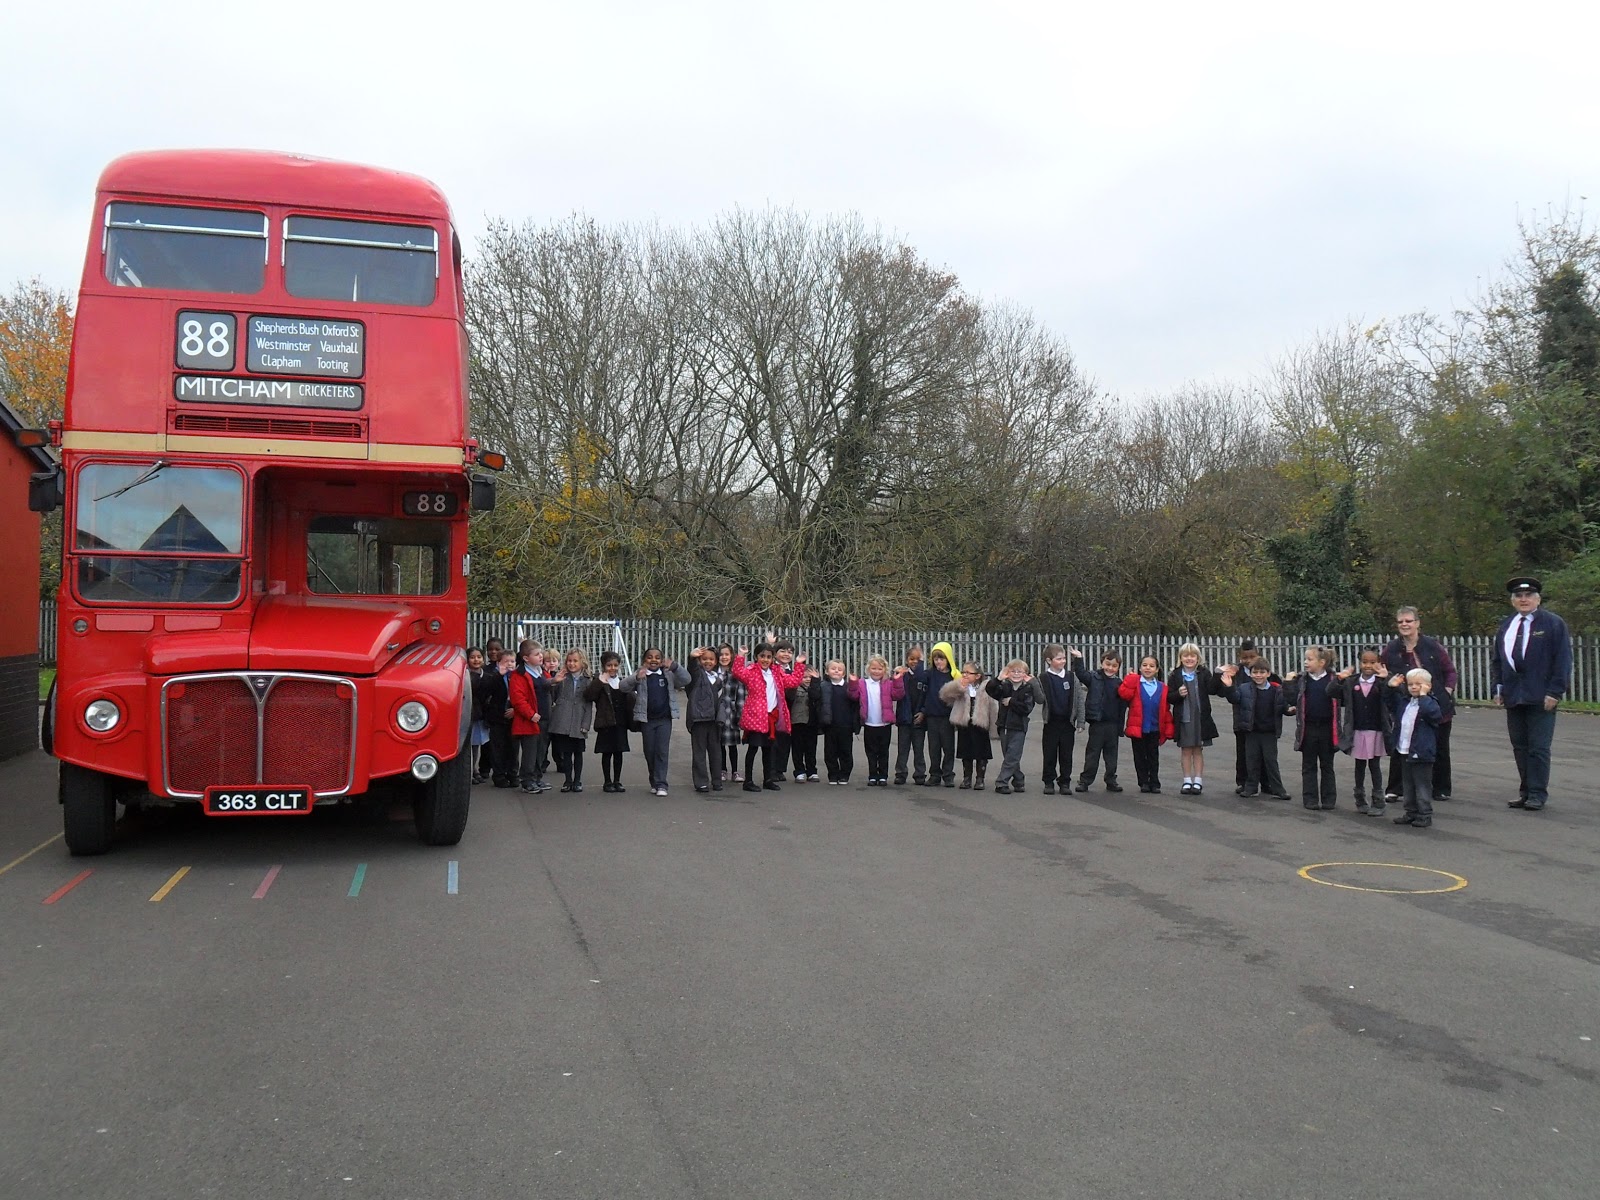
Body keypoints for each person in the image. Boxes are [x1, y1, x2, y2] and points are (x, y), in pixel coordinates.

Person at [1491, 576, 1573, 812]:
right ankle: (1525, 791)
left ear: (1537, 599)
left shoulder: (1553, 624)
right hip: (1514, 696)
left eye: (1528, 596)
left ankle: (1537, 793)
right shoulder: (1507, 625)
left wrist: (1555, 691)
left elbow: (1563, 661)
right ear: (1512, 601)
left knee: (1538, 747)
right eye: (1519, 596)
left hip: (1541, 695)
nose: (1523, 599)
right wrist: (1498, 688)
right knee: (1520, 746)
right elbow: (1498, 661)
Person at [1380, 606, 1458, 803]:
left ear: (1417, 623)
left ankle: (1440, 788)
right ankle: (1396, 788)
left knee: (1440, 746)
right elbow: (1382, 672)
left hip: (1435, 704)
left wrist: (1447, 691)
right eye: (1401, 622)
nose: (1404, 625)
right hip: (1404, 705)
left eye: (1408, 621)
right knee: (1402, 745)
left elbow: (1450, 671)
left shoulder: (1433, 646)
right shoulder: (1391, 649)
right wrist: (1388, 681)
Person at [619, 647, 689, 797]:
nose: (653, 660)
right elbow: (623, 687)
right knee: (650, 751)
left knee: (662, 751)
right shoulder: (641, 675)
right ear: (644, 660)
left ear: (662, 660)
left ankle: (662, 783)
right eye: (650, 657)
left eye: (657, 657)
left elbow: (686, 680)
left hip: (664, 719)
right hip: (647, 720)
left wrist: (675, 666)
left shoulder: (668, 675)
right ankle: (654, 780)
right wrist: (636, 677)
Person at [1284, 646, 1347, 812]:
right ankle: (1310, 799)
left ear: (1322, 662)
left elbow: (1344, 699)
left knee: (1327, 765)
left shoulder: (1333, 679)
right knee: (1309, 765)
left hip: (1327, 728)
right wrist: (1289, 682)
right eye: (1305, 659)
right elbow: (1291, 699)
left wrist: (1343, 681)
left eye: (1310, 659)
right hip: (1309, 728)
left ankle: (1328, 799)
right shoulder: (1302, 680)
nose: (1305, 662)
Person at [1218, 658, 1290, 800]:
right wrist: (1229, 687)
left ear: (1268, 673)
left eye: (1262, 672)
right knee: (1252, 761)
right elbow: (1234, 698)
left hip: (1269, 732)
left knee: (1270, 761)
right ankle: (1251, 787)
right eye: (1255, 672)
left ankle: (1278, 789)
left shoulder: (1276, 690)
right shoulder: (1244, 688)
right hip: (1251, 731)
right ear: (1250, 674)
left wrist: (1291, 710)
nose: (1258, 675)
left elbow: (1284, 707)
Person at [731, 642, 797, 792]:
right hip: (756, 717)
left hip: (771, 717)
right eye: (762, 656)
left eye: (769, 657)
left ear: (773, 658)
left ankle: (768, 779)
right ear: (756, 657)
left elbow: (793, 681)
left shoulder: (777, 672)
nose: (765, 659)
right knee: (753, 748)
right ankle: (748, 781)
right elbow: (737, 671)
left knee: (769, 749)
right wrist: (741, 655)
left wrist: (799, 664)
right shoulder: (751, 672)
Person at [1339, 648, 1392, 815]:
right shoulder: (1351, 682)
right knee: (1359, 765)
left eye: (1372, 662)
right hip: (1358, 730)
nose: (1368, 665)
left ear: (1379, 663)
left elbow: (1392, 696)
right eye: (1364, 662)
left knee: (1375, 765)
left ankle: (1378, 802)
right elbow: (1331, 692)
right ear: (1359, 663)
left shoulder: (1382, 682)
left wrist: (1386, 679)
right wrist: (1339, 679)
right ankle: (1360, 799)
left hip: (1376, 730)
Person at [1167, 642, 1222, 796]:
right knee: (1186, 750)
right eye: (1186, 655)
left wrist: (1217, 675)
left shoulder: (1203, 673)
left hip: (1200, 718)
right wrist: (1178, 694)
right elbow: (1169, 697)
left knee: (1198, 750)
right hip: (1184, 718)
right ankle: (1187, 780)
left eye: (1193, 656)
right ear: (1180, 658)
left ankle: (1198, 780)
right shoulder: (1175, 675)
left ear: (1198, 658)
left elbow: (1212, 689)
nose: (1189, 658)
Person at [1392, 668, 1443, 829]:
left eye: (1419, 684)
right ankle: (1410, 811)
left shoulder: (1430, 702)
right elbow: (1389, 702)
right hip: (1405, 749)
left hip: (1422, 751)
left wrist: (1423, 696)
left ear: (1428, 686)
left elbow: (1434, 715)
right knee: (1408, 783)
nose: (1414, 687)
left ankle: (1424, 813)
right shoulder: (1406, 702)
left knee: (1422, 784)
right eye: (1411, 684)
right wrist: (1391, 687)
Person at [1035, 644, 1087, 795]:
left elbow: (1079, 699)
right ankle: (1049, 781)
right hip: (1051, 723)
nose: (1063, 661)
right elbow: (1039, 699)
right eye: (1059, 659)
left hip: (1067, 723)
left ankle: (1065, 782)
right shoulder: (1043, 678)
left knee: (1066, 755)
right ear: (1049, 660)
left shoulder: (1072, 677)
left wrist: (1081, 721)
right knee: (1049, 754)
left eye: (1064, 658)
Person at [849, 655, 906, 786]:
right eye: (873, 668)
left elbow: (898, 695)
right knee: (871, 752)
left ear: (884, 670)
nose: (876, 671)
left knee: (883, 751)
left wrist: (898, 681)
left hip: (884, 723)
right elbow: (853, 696)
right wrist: (852, 683)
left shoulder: (889, 684)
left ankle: (883, 776)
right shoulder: (862, 683)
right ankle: (873, 775)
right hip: (869, 723)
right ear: (868, 669)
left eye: (879, 669)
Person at [1119, 656, 1174, 793]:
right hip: (1138, 728)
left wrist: (1169, 727)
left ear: (1157, 670)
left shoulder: (1162, 687)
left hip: (1155, 728)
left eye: (1151, 666)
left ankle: (1154, 781)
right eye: (1144, 665)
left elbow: (1166, 709)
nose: (1147, 668)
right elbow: (1123, 694)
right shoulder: (1135, 684)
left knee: (1153, 756)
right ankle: (1143, 781)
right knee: (1139, 756)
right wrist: (1130, 679)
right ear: (1140, 668)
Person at [1075, 651, 1126, 793]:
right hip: (1097, 723)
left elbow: (1123, 705)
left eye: (1114, 666)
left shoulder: (1119, 683)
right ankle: (1085, 781)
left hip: (1112, 725)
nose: (1110, 668)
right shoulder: (1093, 678)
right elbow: (1080, 674)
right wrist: (1079, 658)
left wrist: (1120, 727)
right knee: (1092, 754)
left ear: (1118, 667)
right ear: (1102, 663)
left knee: (1111, 755)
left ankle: (1111, 780)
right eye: (1107, 664)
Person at [545, 649, 595, 793]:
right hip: (563, 720)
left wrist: (586, 724)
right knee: (566, 753)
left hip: (579, 720)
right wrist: (554, 681)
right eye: (569, 661)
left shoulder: (588, 680)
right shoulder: (562, 677)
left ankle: (577, 780)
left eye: (575, 661)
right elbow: (551, 693)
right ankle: (567, 780)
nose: (572, 663)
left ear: (582, 662)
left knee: (578, 752)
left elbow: (588, 705)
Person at [943, 661, 997, 790]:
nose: (965, 675)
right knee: (965, 751)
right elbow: (946, 695)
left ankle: (980, 778)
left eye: (968, 673)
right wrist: (959, 687)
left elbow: (993, 707)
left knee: (981, 752)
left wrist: (994, 727)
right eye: (963, 672)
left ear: (977, 676)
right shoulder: (962, 686)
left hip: (980, 724)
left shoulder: (986, 687)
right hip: (965, 724)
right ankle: (967, 778)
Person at [586, 651, 635, 794]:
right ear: (603, 666)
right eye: (609, 665)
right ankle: (607, 781)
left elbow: (631, 698)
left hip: (620, 722)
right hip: (606, 722)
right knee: (606, 753)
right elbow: (589, 695)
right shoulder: (599, 681)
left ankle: (617, 780)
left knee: (619, 752)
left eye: (615, 665)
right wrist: (600, 681)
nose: (612, 668)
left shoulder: (622, 682)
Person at [986, 659, 1037, 794]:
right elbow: (990, 690)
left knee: (1013, 756)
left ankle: (1001, 782)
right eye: (1012, 671)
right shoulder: (1004, 686)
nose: (1016, 674)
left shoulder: (1028, 689)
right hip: (1004, 725)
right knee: (1008, 755)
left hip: (1019, 727)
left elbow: (1026, 708)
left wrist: (1011, 701)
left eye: (1019, 671)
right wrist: (998, 679)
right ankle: (1019, 779)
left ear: (1025, 674)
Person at [684, 646, 726, 794]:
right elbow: (692, 670)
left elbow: (721, 700)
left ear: (716, 661)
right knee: (699, 753)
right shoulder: (697, 676)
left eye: (711, 659)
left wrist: (721, 717)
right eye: (704, 659)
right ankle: (701, 782)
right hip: (699, 720)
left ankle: (717, 781)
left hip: (714, 721)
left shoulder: (718, 679)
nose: (708, 661)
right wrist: (692, 658)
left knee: (716, 752)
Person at [920, 641, 959, 787]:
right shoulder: (929, 674)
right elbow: (920, 683)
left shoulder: (954, 675)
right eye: (936, 659)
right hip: (932, 716)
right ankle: (934, 774)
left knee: (948, 747)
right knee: (933, 748)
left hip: (948, 717)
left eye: (941, 659)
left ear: (948, 658)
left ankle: (948, 774)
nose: (938, 662)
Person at [817, 659, 861, 786]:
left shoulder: (849, 688)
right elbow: (816, 698)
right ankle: (833, 774)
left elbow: (856, 703)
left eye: (840, 669)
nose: (836, 671)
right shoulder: (823, 686)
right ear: (826, 671)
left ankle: (844, 774)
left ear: (844, 673)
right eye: (833, 668)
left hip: (846, 725)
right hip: (830, 725)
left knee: (845, 751)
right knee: (830, 752)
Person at [507, 643, 544, 793]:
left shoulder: (541, 672)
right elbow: (518, 700)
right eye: (537, 654)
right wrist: (531, 714)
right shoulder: (519, 675)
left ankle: (536, 778)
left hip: (542, 718)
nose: (541, 656)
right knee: (529, 752)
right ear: (526, 658)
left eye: (541, 653)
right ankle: (527, 781)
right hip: (529, 720)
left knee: (539, 751)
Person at [893, 645, 929, 785]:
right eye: (911, 659)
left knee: (918, 748)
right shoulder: (902, 676)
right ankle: (900, 773)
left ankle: (920, 774)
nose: (915, 661)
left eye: (918, 659)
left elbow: (928, 697)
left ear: (923, 659)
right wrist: (897, 675)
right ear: (907, 660)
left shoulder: (926, 676)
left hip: (919, 717)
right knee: (903, 748)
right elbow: (895, 690)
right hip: (904, 717)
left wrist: (923, 712)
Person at [484, 649, 517, 788]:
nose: (509, 664)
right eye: (505, 662)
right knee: (498, 748)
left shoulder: (517, 676)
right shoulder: (493, 676)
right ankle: (499, 775)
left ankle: (513, 774)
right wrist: (499, 674)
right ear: (498, 663)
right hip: (498, 717)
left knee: (513, 748)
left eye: (512, 661)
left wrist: (516, 710)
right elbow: (486, 690)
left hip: (514, 718)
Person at [786, 660, 822, 783]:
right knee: (797, 748)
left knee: (811, 749)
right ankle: (799, 771)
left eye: (810, 677)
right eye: (804, 677)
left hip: (811, 723)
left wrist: (816, 682)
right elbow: (789, 696)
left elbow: (815, 696)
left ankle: (812, 771)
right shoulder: (794, 688)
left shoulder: (816, 687)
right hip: (796, 722)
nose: (807, 679)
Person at [717, 643, 745, 783]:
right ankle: (722, 770)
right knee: (720, 743)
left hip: (732, 713)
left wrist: (741, 714)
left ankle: (734, 771)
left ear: (731, 656)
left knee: (733, 745)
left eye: (727, 654)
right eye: (721, 654)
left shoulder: (736, 673)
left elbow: (741, 695)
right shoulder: (715, 672)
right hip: (718, 712)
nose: (724, 657)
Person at [466, 647, 492, 784]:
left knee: (476, 744)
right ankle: (468, 772)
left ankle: (475, 769)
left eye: (479, 657)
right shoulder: (465, 676)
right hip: (469, 715)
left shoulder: (487, 676)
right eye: (472, 657)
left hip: (481, 716)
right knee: (468, 745)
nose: (476, 660)